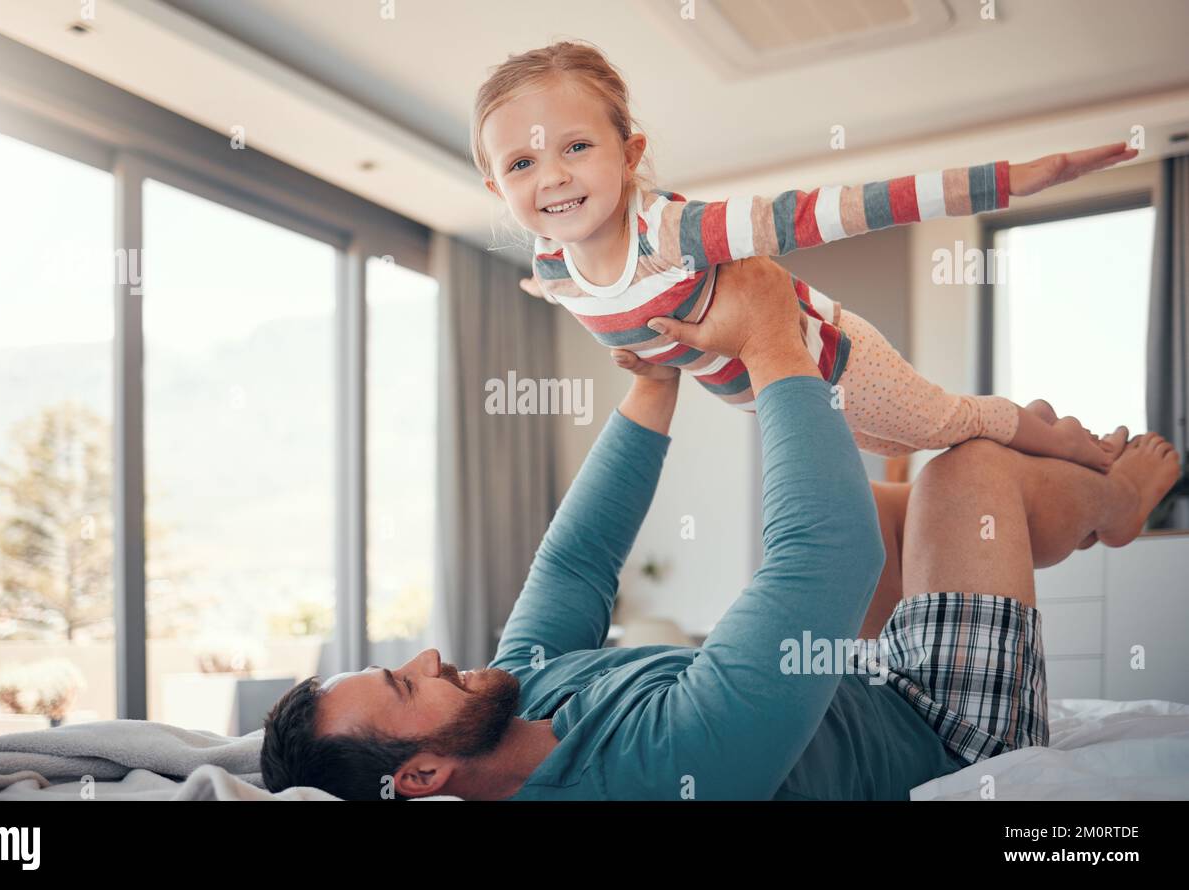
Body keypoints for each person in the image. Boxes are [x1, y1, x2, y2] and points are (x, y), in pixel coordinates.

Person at [260, 258, 1180, 800]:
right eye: (404, 685)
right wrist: (774, 337)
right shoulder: (654, 775)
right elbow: (827, 559)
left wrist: (652, 381)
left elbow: (576, 562)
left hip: (854, 683)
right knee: (963, 473)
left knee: (882, 498)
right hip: (947, 727)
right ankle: (1116, 508)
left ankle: (1010, 493)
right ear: (419, 778)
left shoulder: (515, 691)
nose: (427, 657)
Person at [473, 39, 1136, 471]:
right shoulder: (552, 267)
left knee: (948, 426)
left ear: (629, 154)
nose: (552, 177)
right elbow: (564, 290)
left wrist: (1005, 181)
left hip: (837, 363)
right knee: (906, 445)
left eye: (577, 147)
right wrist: (634, 347)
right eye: (523, 162)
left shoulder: (675, 233)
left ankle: (1070, 443)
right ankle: (1040, 420)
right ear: (496, 186)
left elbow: (832, 211)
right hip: (777, 400)